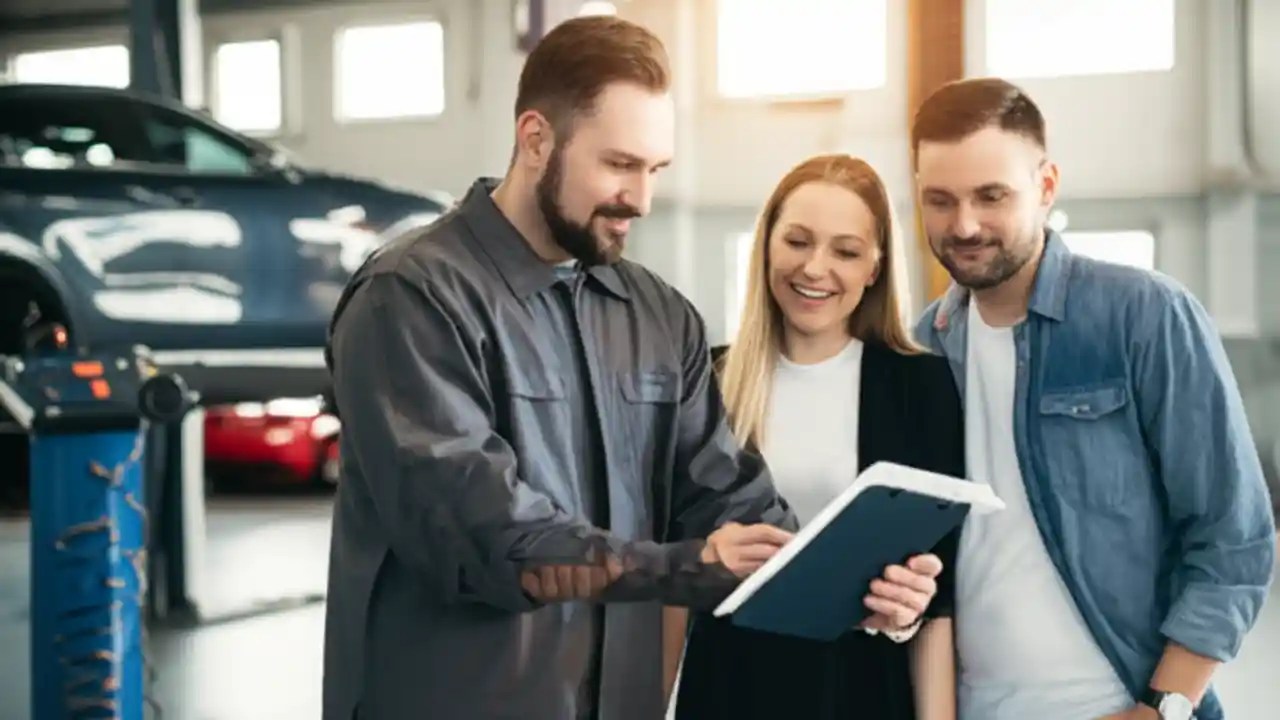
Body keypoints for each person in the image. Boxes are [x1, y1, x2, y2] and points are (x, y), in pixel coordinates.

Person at [321, 16, 942, 720]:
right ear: (536, 139)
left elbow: (732, 501)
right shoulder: (412, 298)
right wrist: (684, 565)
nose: (641, 199)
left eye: (655, 169)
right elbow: (479, 535)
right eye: (619, 164)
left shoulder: (656, 317)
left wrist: (857, 590)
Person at [910, 77, 1277, 720]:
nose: (963, 224)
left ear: (1046, 186)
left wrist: (1162, 707)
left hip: (1120, 704)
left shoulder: (1145, 316)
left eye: (991, 196)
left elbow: (1234, 536)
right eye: (940, 200)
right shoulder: (919, 350)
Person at [666, 154, 963, 720]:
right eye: (797, 241)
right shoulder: (710, 381)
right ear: (767, 245)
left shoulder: (918, 386)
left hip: (860, 692)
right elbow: (674, 588)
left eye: (846, 251)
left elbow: (938, 605)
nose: (814, 268)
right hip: (730, 689)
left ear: (875, 267)